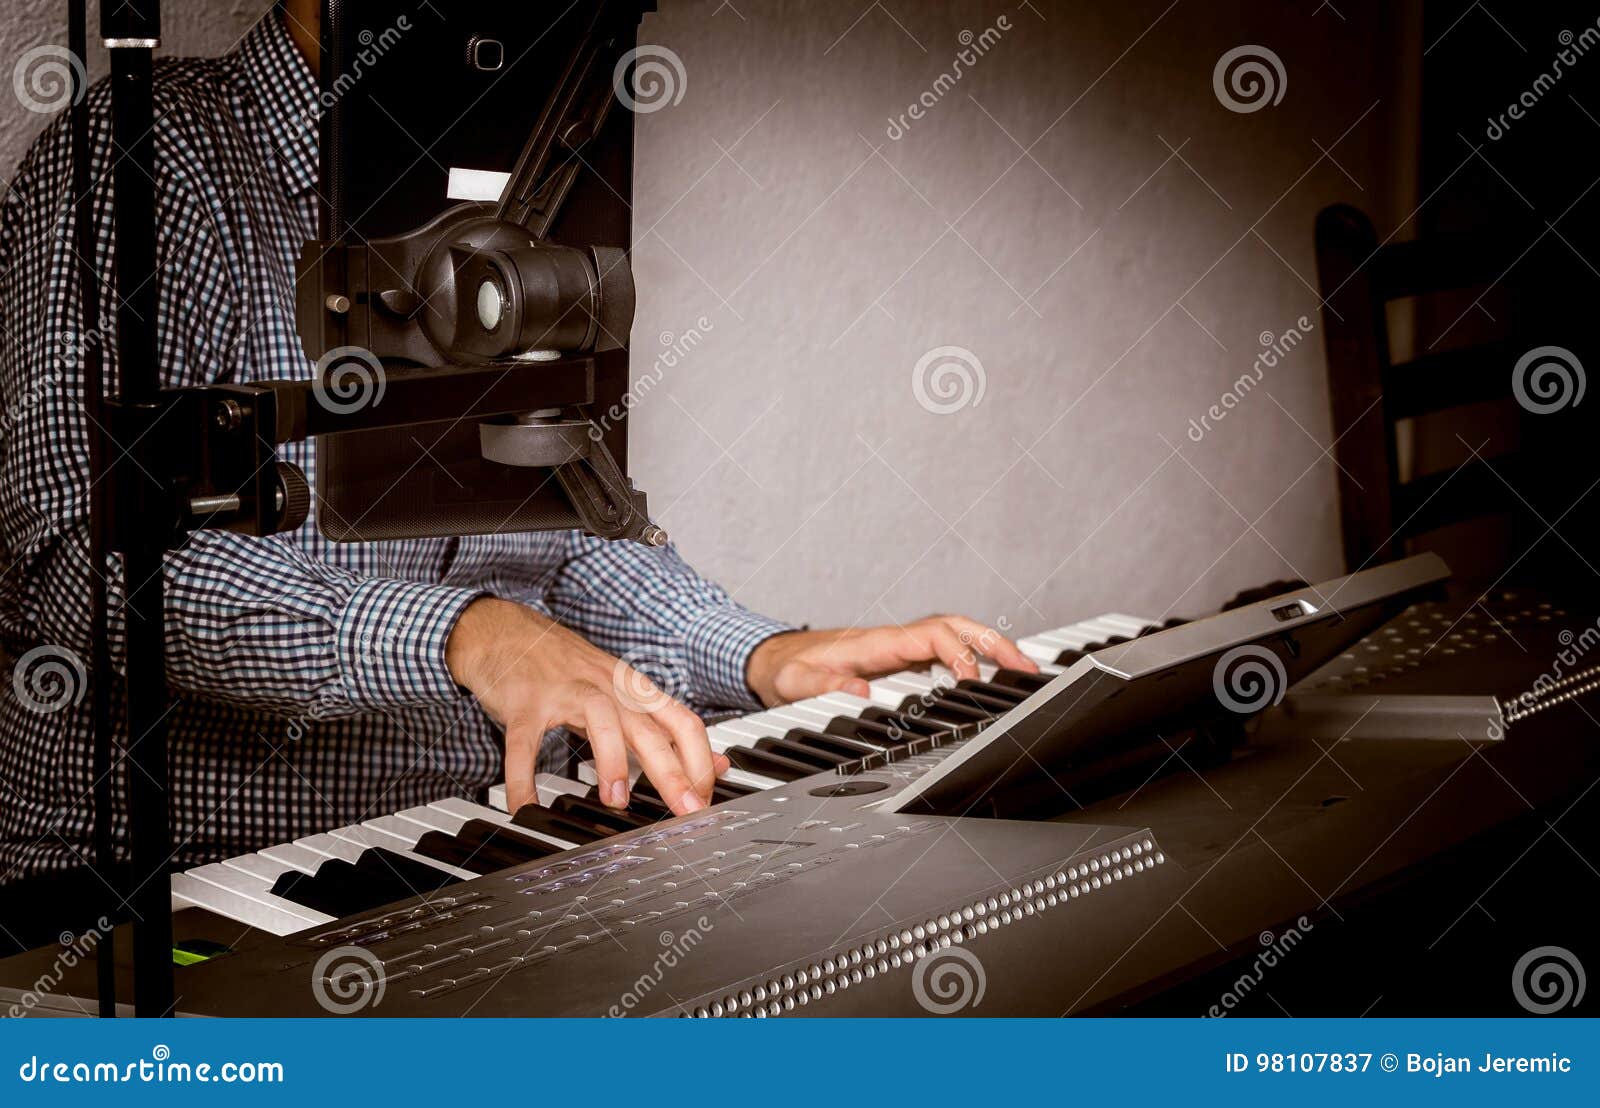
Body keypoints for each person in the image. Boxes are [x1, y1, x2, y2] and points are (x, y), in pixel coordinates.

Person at [0, 1, 1034, 884]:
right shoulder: (147, 154)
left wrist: (759, 653)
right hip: (186, 877)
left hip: (466, 836)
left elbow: (559, 533)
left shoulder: (515, 176)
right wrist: (465, 632)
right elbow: (74, 563)